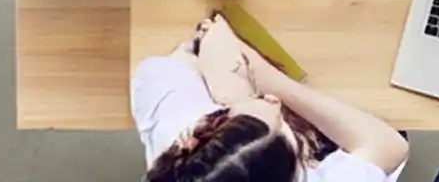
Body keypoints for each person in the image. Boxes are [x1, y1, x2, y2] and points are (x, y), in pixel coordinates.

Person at [135, 15, 409, 181]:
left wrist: (229, 86)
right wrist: (274, 82)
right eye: (283, 126)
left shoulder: (172, 120)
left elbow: (165, 66)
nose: (274, 102)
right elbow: (390, 146)